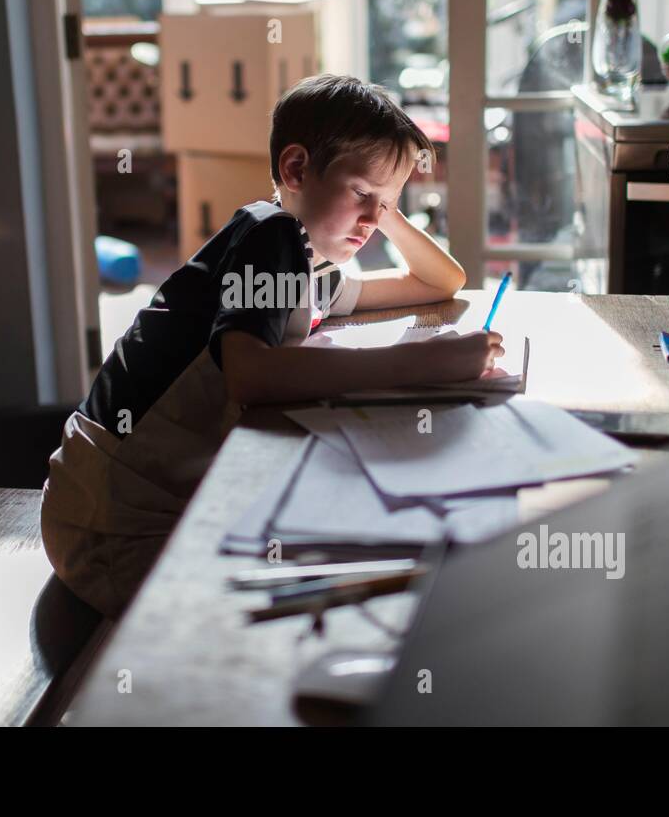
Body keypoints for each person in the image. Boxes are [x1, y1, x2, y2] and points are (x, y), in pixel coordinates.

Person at [40, 74, 503, 617]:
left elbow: (440, 281)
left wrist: (383, 202)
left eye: (387, 204)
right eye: (361, 194)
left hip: (137, 504)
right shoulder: (271, 235)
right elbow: (249, 374)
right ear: (296, 169)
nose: (373, 220)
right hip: (112, 526)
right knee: (298, 605)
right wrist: (421, 364)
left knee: (334, 563)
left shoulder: (308, 266)